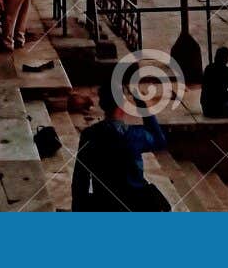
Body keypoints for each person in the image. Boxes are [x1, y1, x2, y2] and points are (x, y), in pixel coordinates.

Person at [71, 80, 169, 211]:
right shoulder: (135, 136)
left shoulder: (90, 135)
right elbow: (159, 140)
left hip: (105, 204)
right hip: (135, 206)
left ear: (102, 104)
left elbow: (80, 179)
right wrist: (143, 107)